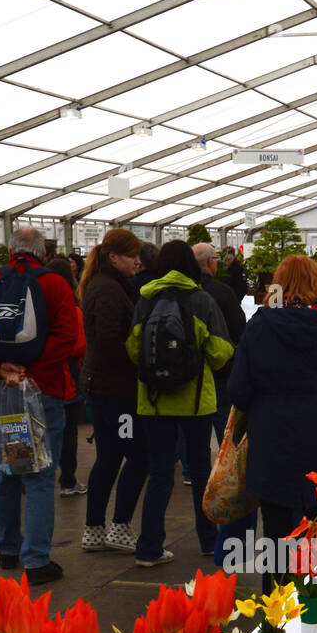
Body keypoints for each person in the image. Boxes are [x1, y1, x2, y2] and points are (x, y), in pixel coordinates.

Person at [0, 226, 85, 584]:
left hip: (2, 392)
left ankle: (8, 550)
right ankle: (37, 560)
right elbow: (68, 337)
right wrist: (32, 370)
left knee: (7, 470)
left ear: (10, 250)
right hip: (44, 391)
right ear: (42, 251)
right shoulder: (56, 285)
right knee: (40, 476)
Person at [226, 253, 317, 552]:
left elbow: (238, 391)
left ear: (278, 284)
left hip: (271, 440)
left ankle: (278, 598)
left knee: (277, 540)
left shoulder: (258, 327)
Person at [126, 240, 233, 566]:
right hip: (195, 402)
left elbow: (133, 349)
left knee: (159, 473)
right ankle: (207, 541)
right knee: (200, 471)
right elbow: (219, 353)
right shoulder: (201, 300)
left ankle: (149, 548)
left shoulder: (146, 299)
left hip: (154, 402)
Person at [77, 228, 148, 553]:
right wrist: (135, 362)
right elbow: (108, 339)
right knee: (135, 456)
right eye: (132, 255)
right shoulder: (108, 290)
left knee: (109, 457)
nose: (138, 261)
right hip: (116, 392)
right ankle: (118, 526)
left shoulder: (103, 285)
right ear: (113, 257)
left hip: (104, 387)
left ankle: (95, 528)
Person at [193, 242, 246, 445]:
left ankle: (190, 469)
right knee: (223, 417)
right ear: (209, 262)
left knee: (192, 423)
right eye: (216, 259)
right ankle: (228, 460)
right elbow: (239, 328)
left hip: (189, 368)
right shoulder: (222, 292)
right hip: (220, 367)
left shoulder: (181, 291)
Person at [44, 255, 87, 498]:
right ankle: (68, 480)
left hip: (40, 378)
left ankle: (33, 478)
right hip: (67, 377)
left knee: (41, 430)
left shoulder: (37, 309)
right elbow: (80, 347)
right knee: (68, 431)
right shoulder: (73, 311)